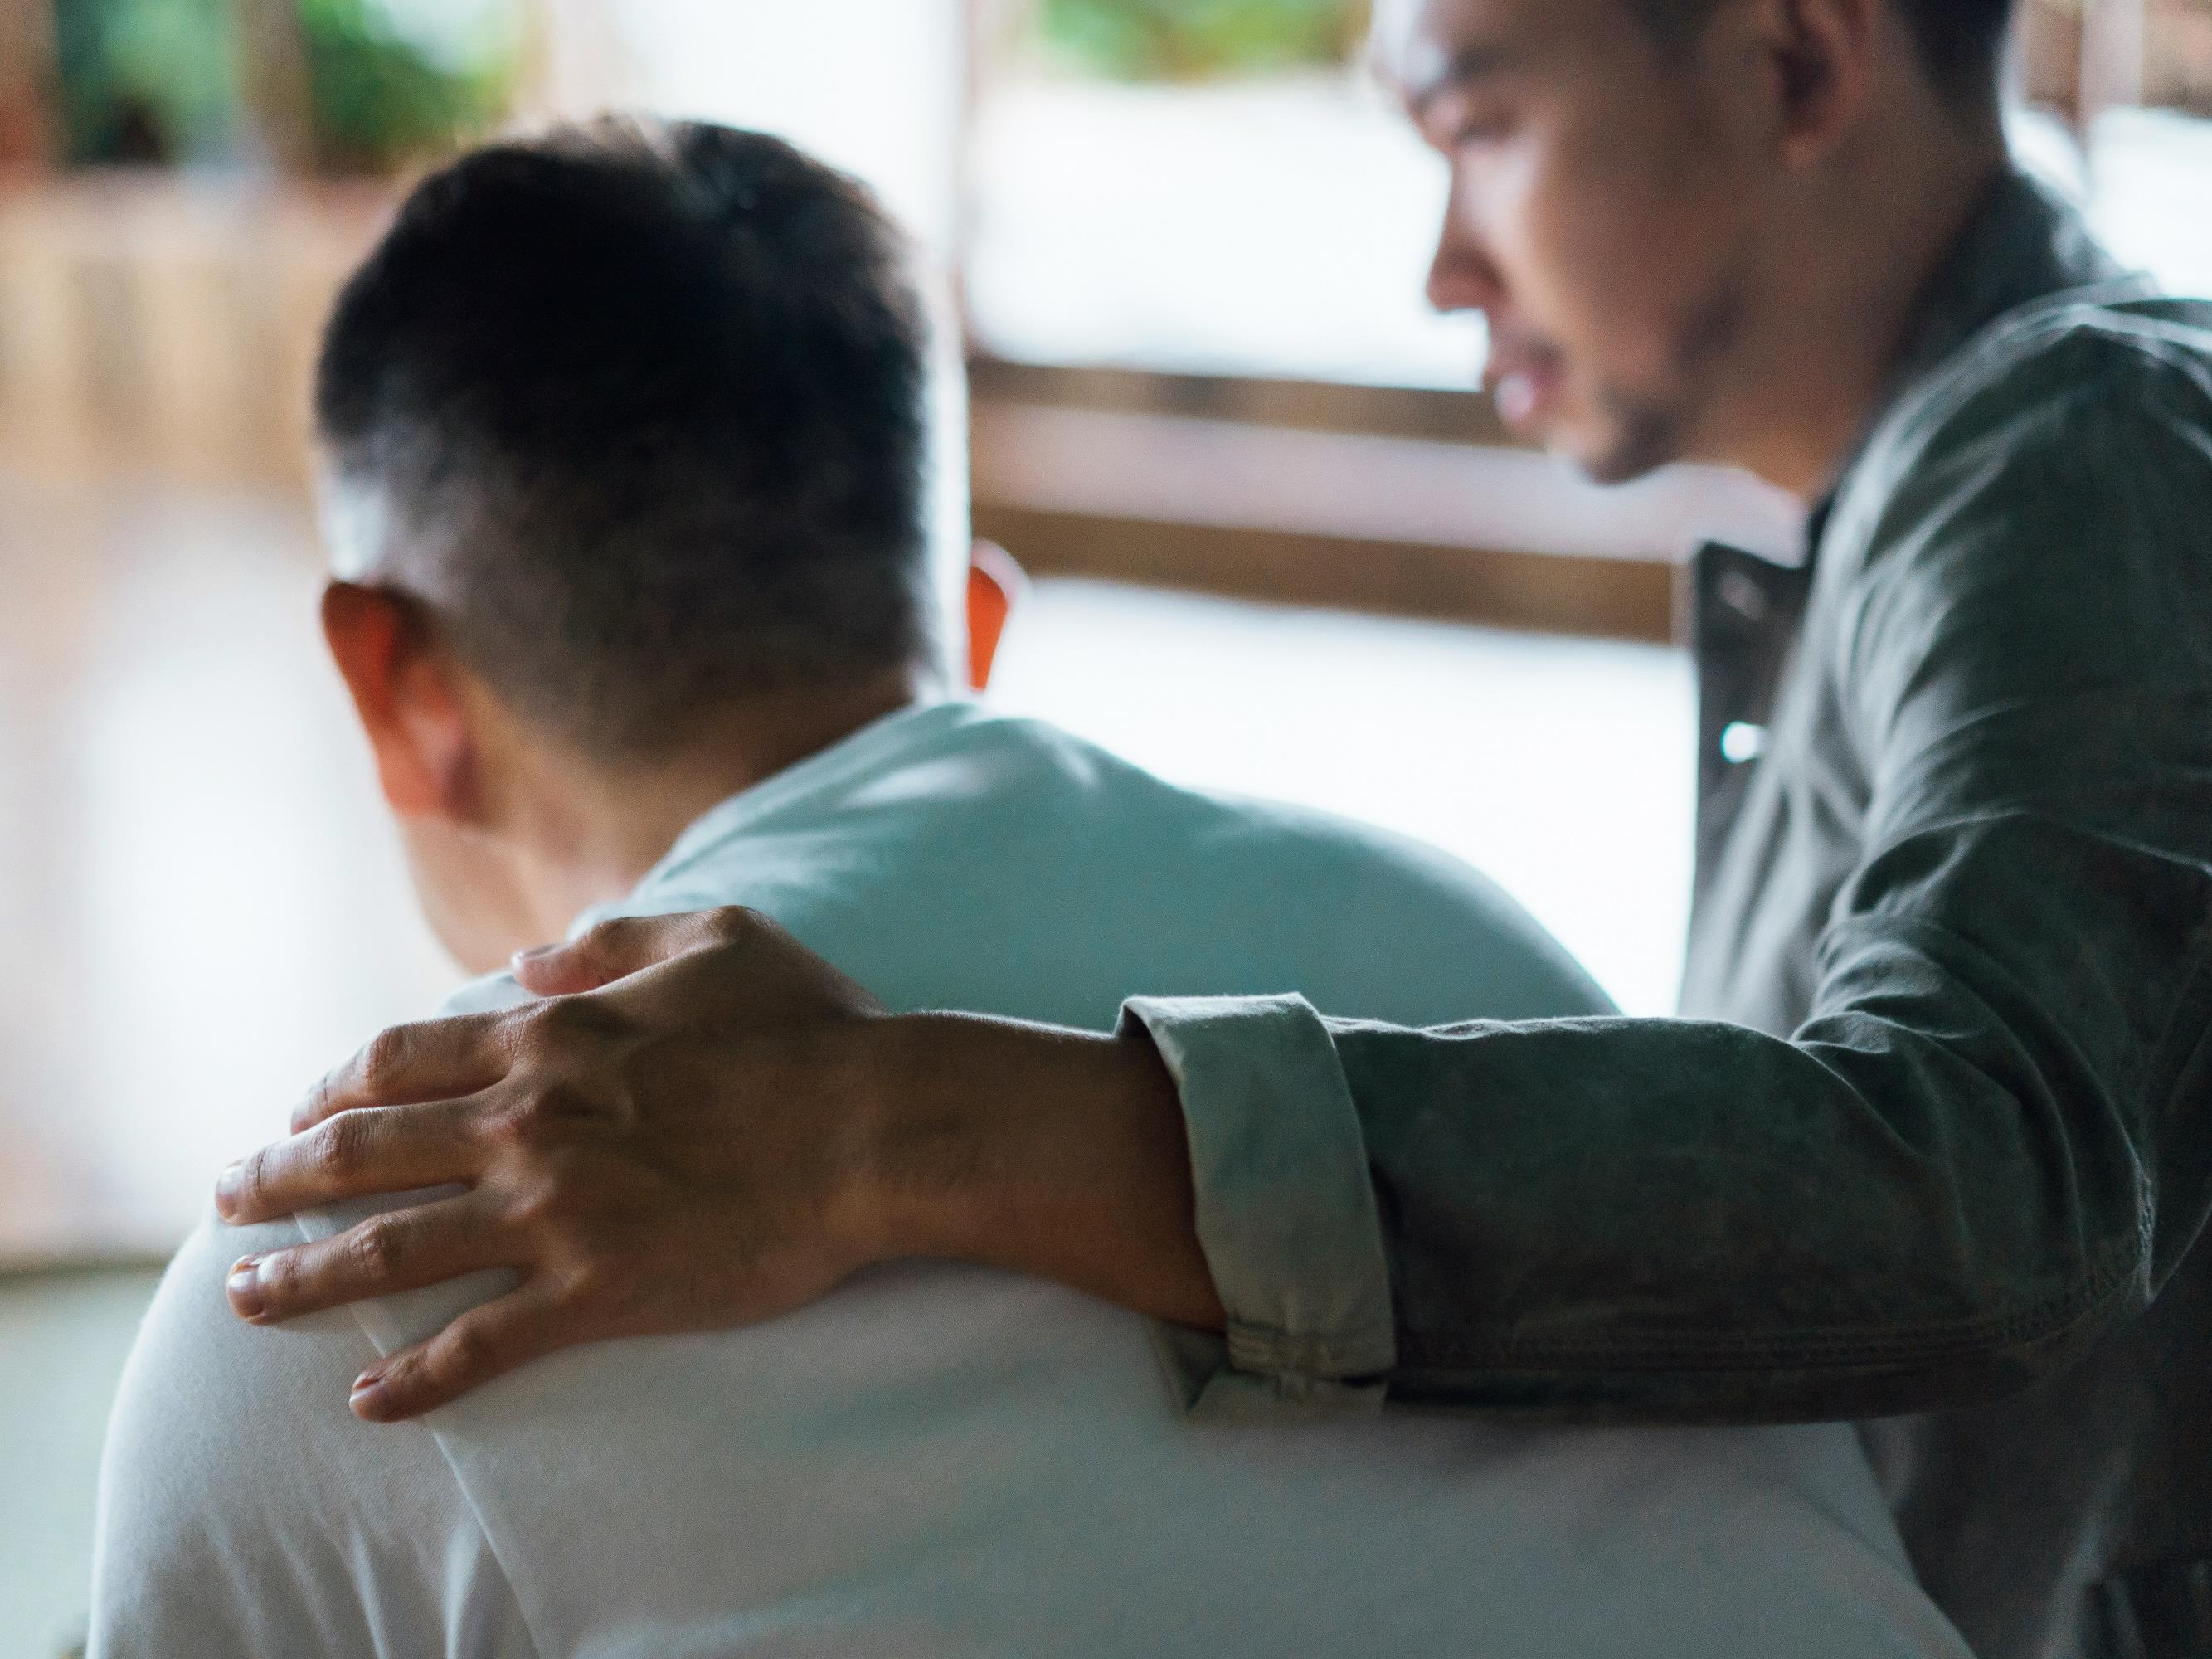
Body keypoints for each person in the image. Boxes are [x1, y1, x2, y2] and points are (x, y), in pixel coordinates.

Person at [209, 2, 2212, 1652]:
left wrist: (876, 1126)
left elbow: (1987, 1180)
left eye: (1479, 122)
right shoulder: (1911, 536)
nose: (1439, 259)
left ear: (1791, 59)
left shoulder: (2081, 436)